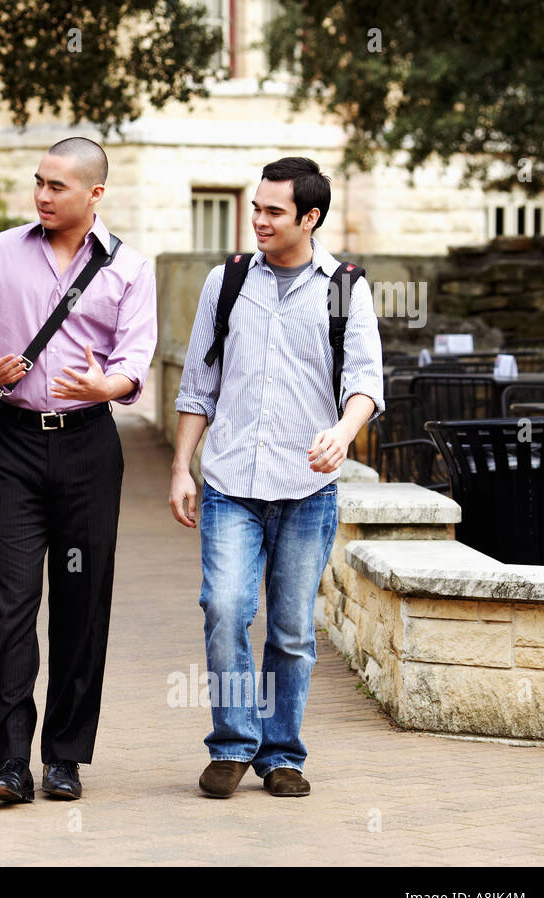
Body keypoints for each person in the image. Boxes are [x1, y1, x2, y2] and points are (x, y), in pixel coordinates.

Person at [0, 137, 157, 803]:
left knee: (81, 607)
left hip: (90, 449)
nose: (42, 195)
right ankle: (9, 760)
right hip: (13, 448)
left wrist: (108, 387)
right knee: (11, 607)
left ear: (94, 194)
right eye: (38, 182)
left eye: (57, 186)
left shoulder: (130, 268)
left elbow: (135, 360)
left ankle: (65, 756)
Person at [170, 156, 384, 799]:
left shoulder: (345, 286)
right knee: (226, 607)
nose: (257, 219)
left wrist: (342, 436)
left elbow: (366, 381)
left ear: (309, 218)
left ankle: (282, 753)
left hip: (306, 489)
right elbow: (198, 383)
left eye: (272, 211)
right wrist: (182, 465)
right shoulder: (227, 280)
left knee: (291, 630)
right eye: (255, 208)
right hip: (232, 483)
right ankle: (233, 745)